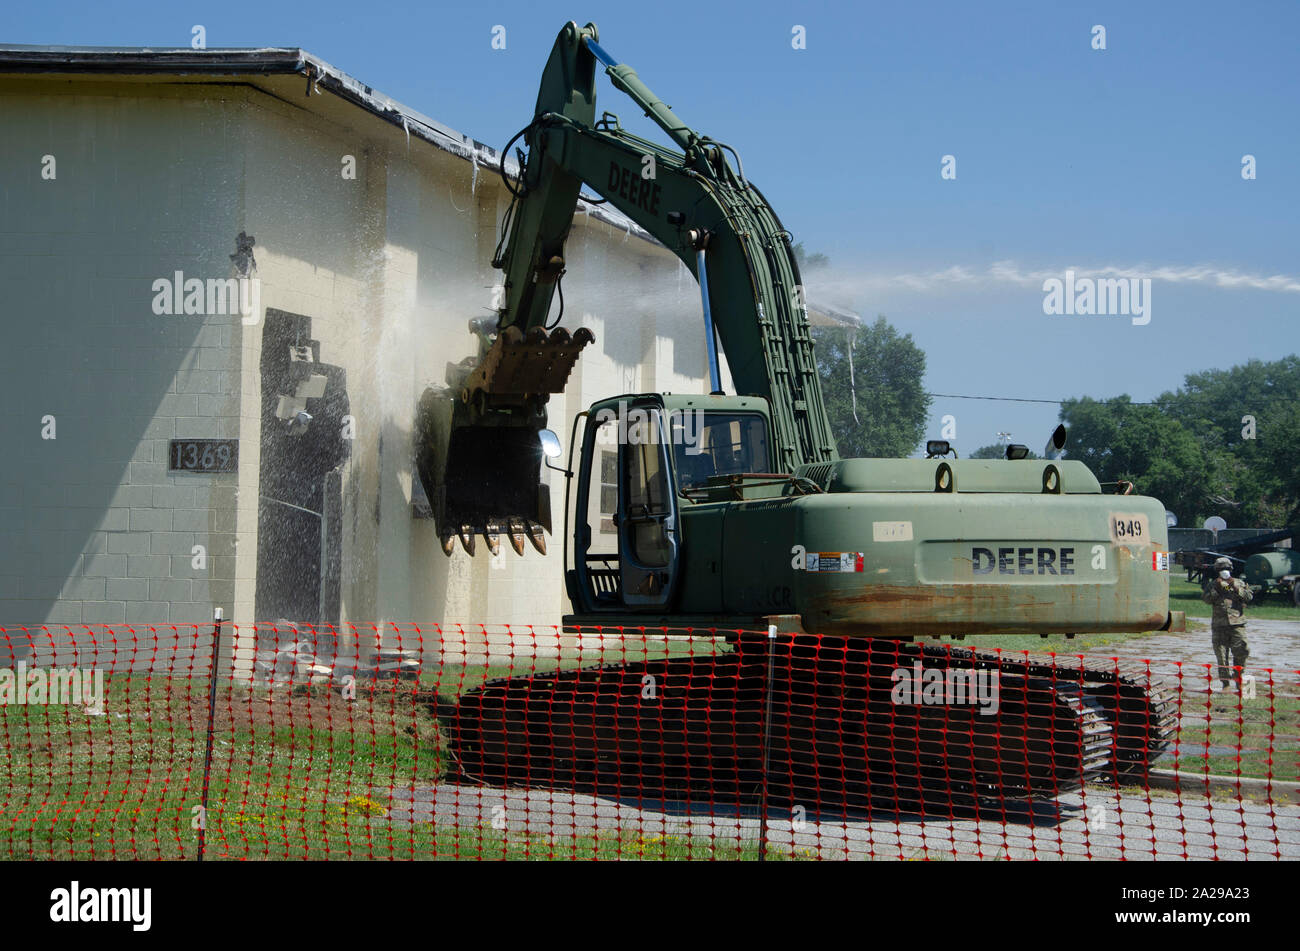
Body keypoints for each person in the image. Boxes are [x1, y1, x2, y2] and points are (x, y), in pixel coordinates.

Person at [1201, 556, 1252, 691]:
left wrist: (1233, 587)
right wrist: (1216, 589)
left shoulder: (1238, 582)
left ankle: (1239, 679)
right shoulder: (1213, 585)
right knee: (1222, 657)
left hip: (1237, 624)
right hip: (1219, 625)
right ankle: (1226, 685)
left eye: (1226, 569)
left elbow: (1248, 597)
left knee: (1242, 651)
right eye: (1221, 569)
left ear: (1230, 569)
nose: (1224, 571)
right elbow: (1206, 600)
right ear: (1217, 570)